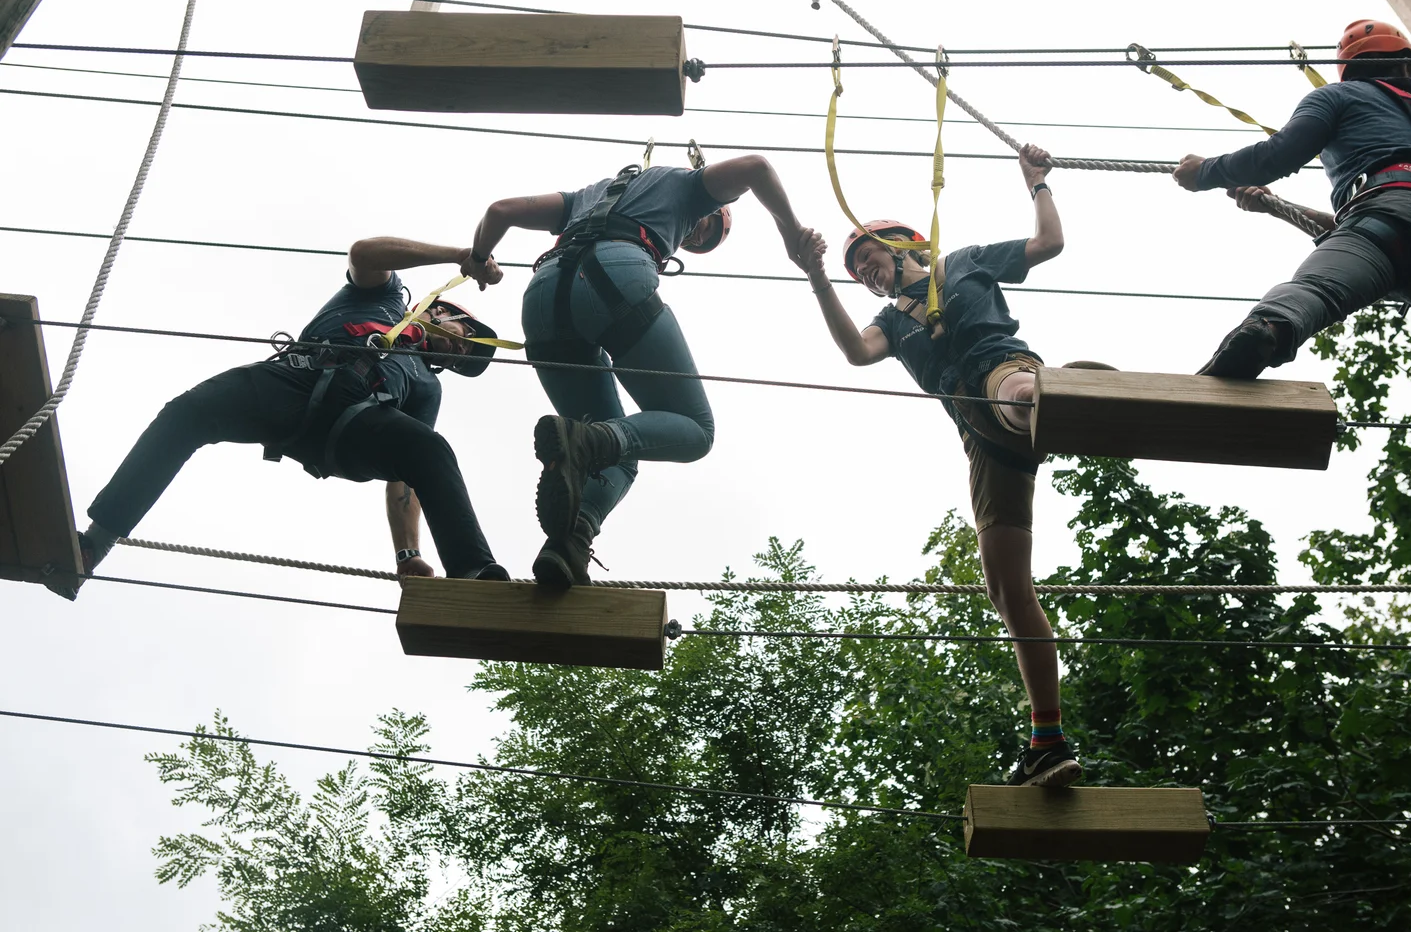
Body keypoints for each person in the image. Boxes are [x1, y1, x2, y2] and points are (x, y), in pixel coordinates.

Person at [792, 143, 1085, 787]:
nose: (865, 274)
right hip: (978, 435)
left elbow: (1049, 243)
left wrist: (1037, 183)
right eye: (857, 271)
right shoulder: (891, 324)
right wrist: (816, 279)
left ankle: (1085, 397)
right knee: (1004, 587)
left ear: (904, 247)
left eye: (869, 260)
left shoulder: (964, 263)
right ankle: (1049, 739)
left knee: (1016, 397)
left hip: (1004, 374)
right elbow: (853, 352)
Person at [60, 236, 510, 598]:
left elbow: (407, 480)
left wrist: (406, 552)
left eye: (467, 355)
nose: (463, 349)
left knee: (430, 449)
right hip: (293, 380)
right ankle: (94, 544)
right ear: (444, 309)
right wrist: (460, 255)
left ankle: (473, 572)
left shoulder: (427, 385)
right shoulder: (386, 297)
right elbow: (364, 254)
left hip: (353, 423)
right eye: (467, 337)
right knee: (186, 414)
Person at [465, 157, 824, 587]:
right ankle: (594, 439)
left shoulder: (583, 198)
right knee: (695, 430)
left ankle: (567, 544)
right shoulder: (688, 187)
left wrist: (479, 257)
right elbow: (756, 168)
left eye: (702, 241)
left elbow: (500, 211)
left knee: (618, 457)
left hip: (542, 297)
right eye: (706, 227)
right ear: (713, 207)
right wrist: (792, 234)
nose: (697, 234)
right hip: (615, 274)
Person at [1172, 19, 1411, 444]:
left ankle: (1269, 329)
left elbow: (1280, 155)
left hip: (1384, 216)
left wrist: (1205, 172)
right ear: (1408, 65)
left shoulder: (1337, 95)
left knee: (1317, 290)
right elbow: (1404, 228)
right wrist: (1278, 208)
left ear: (1350, 67)